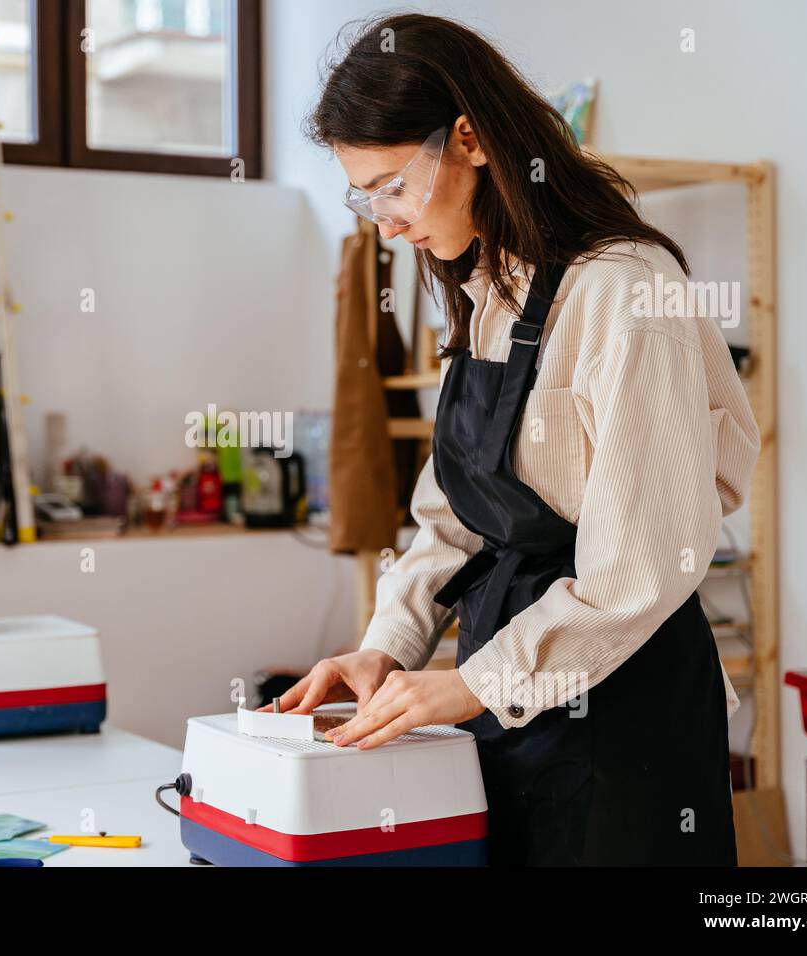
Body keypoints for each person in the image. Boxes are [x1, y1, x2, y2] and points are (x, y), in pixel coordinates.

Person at [275, 13, 761, 866]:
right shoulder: (489, 289)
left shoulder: (625, 290)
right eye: (365, 196)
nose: (384, 224)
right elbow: (453, 522)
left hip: (621, 715)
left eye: (392, 185)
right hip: (506, 703)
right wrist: (387, 648)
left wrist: (476, 682)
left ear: (468, 139)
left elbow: (638, 567)